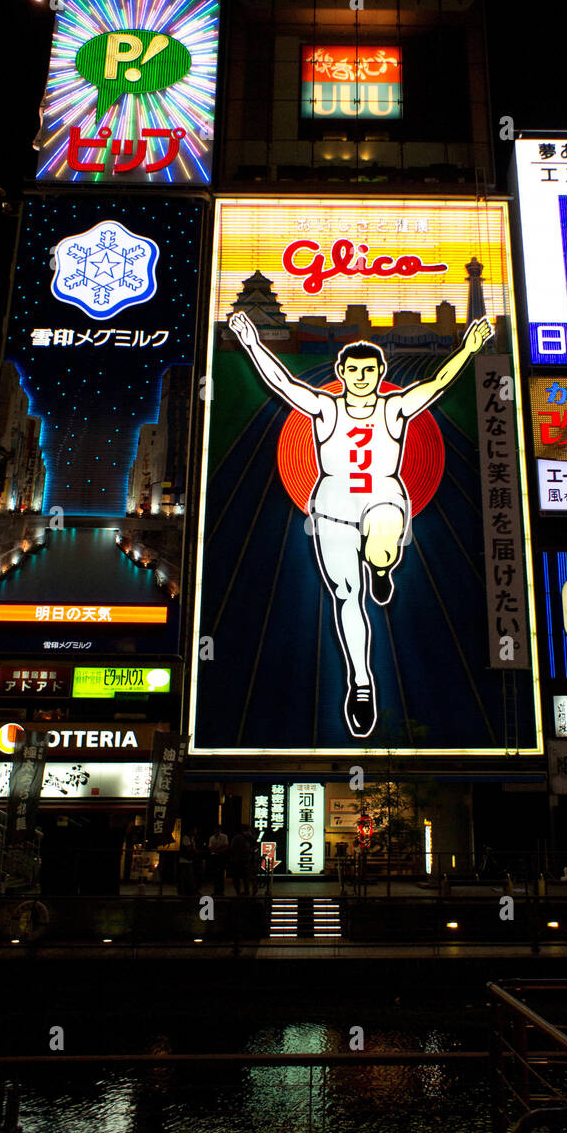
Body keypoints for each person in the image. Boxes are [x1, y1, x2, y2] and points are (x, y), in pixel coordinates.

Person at [228, 309, 491, 738]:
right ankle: (361, 683)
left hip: (383, 497)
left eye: (369, 369)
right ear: (342, 372)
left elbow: (438, 383)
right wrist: (251, 342)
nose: (362, 376)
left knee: (383, 532)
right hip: (332, 507)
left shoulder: (395, 408)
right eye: (354, 369)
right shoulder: (325, 409)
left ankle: (383, 565)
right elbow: (283, 383)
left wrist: (468, 348)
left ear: (380, 371)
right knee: (350, 599)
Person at [230, 824, 254, 897]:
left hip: (238, 860)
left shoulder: (237, 837)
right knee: (245, 877)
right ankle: (245, 891)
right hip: (244, 860)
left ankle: (239, 892)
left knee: (238, 877)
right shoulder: (247, 837)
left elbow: (232, 848)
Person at [208, 824, 230, 895]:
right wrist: (219, 849)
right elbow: (211, 848)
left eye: (218, 829)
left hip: (221, 857)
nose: (217, 831)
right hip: (215, 857)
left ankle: (221, 890)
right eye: (216, 829)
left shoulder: (224, 836)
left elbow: (225, 846)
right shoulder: (212, 838)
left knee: (221, 874)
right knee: (215, 874)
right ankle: (216, 890)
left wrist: (216, 850)